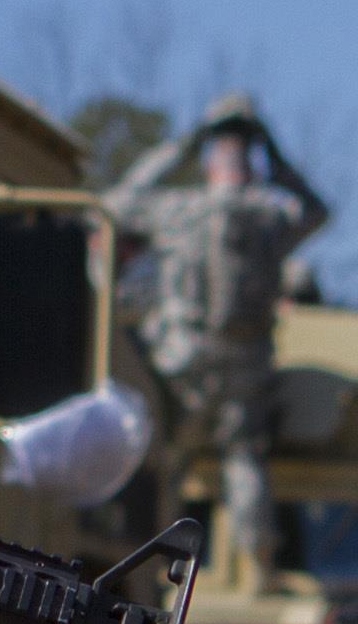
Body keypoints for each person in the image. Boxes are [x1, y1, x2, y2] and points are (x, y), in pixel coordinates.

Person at [103, 93, 328, 582]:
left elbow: (116, 204)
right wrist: (275, 155)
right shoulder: (268, 217)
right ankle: (259, 564)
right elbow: (317, 210)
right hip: (245, 364)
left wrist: (184, 143)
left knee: (168, 461)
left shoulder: (180, 210)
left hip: (181, 359)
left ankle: (154, 569)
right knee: (243, 460)